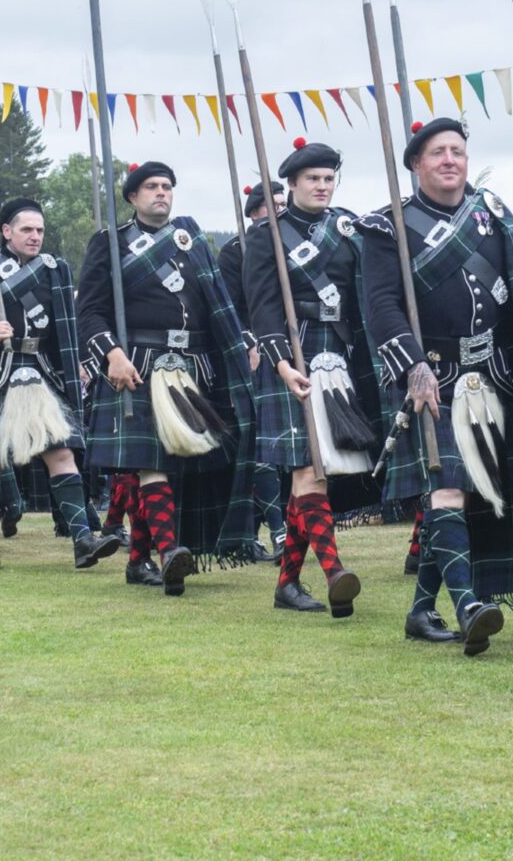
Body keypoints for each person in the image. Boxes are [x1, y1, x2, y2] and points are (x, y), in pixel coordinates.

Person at [363, 118, 513, 654]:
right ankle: (468, 605)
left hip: (494, 377)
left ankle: (419, 610)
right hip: (433, 376)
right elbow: (382, 305)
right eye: (438, 153)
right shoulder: (388, 226)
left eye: (458, 151)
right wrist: (412, 366)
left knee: (469, 495)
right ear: (416, 163)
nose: (451, 160)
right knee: (448, 487)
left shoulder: (492, 214)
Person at [77, 161, 256, 595]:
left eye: (167, 187)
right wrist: (111, 354)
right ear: (133, 197)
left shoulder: (190, 240)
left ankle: (139, 560)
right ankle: (171, 550)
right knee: (151, 463)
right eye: (152, 187)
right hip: (136, 362)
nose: (161, 193)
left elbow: (218, 304)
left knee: (171, 466)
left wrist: (242, 343)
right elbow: (90, 311)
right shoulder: (110, 244)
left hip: (191, 363)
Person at [243, 141, 377, 618]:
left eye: (328, 178)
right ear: (292, 185)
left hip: (339, 352)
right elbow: (260, 305)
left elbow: (366, 295)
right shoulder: (267, 236)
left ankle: (287, 584)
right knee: (309, 469)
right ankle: (336, 572)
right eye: (313, 179)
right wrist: (280, 361)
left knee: (315, 474)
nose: (322, 186)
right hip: (293, 350)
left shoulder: (349, 229)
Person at [0, 198, 115, 571]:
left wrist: (79, 368)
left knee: (61, 452)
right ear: (6, 232)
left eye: (39, 230)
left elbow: (65, 331)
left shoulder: (55, 270)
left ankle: (82, 540)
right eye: (27, 229)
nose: (35, 236)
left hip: (40, 371)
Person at [214, 178, 286, 564]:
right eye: (272, 205)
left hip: (293, 354)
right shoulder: (234, 253)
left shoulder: (292, 242)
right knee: (261, 447)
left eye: (282, 202)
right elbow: (228, 308)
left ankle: (272, 528)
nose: (279, 210)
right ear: (255, 211)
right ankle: (278, 532)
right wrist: (248, 341)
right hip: (253, 357)